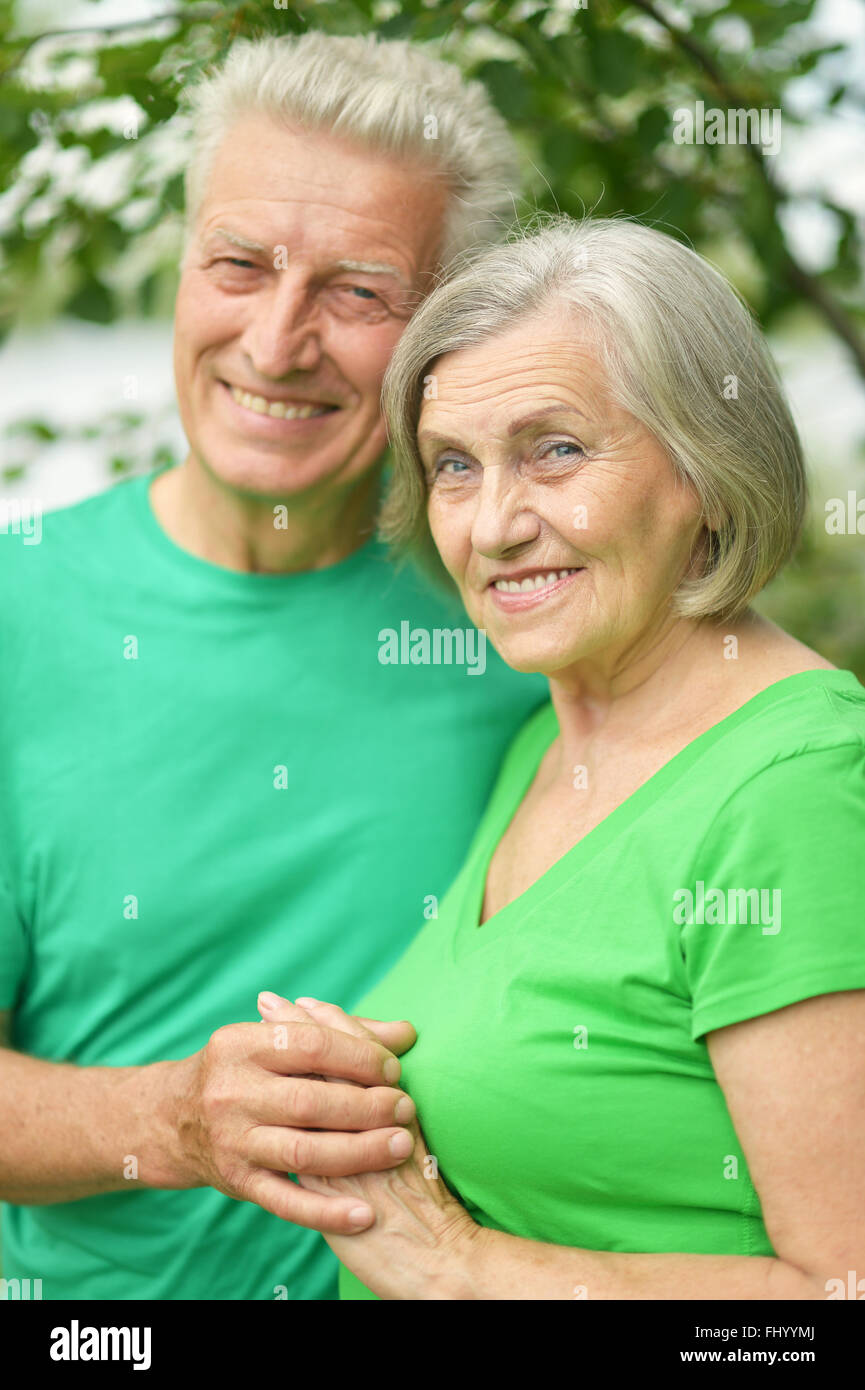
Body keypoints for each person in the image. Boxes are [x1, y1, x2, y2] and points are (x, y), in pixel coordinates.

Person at [0, 33, 546, 1301]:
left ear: (442, 330)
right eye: (239, 266)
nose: (279, 340)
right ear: (183, 266)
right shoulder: (15, 610)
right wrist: (178, 1118)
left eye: (359, 293)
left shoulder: (531, 619)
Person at [260, 216, 865, 1300]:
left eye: (556, 449)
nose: (493, 524)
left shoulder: (796, 790)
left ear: (706, 471)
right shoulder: (553, 735)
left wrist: (460, 1265)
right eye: (454, 465)